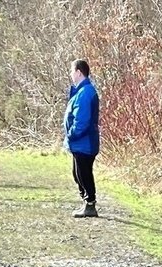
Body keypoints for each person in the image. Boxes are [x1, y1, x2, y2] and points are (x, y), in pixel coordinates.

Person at [63, 59, 100, 219]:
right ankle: (86, 203)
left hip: (84, 143)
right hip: (80, 143)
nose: (71, 74)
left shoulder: (85, 93)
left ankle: (90, 204)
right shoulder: (81, 92)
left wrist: (70, 134)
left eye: (72, 71)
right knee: (77, 173)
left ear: (78, 72)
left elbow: (81, 121)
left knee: (83, 174)